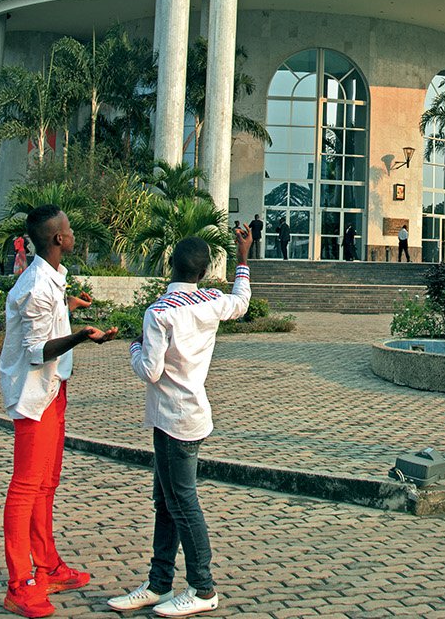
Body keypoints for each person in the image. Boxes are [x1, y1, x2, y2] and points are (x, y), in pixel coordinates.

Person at [107, 224, 254, 616]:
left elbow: (149, 371)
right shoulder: (210, 301)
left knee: (182, 502)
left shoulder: (158, 314)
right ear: (204, 272)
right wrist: (243, 257)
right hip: (184, 415)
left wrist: (135, 346)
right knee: (166, 500)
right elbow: (241, 301)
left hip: (174, 419)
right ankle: (158, 583)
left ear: (170, 264)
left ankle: (203, 589)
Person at [0, 205, 119, 617]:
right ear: (57, 240)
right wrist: (80, 336)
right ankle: (20, 583)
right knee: (26, 487)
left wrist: (71, 308)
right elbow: (36, 351)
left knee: (47, 484)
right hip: (33, 395)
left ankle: (47, 565)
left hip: (53, 390)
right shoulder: (35, 285)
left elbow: (50, 308)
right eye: (68, 230)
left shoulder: (51, 278)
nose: (72, 233)